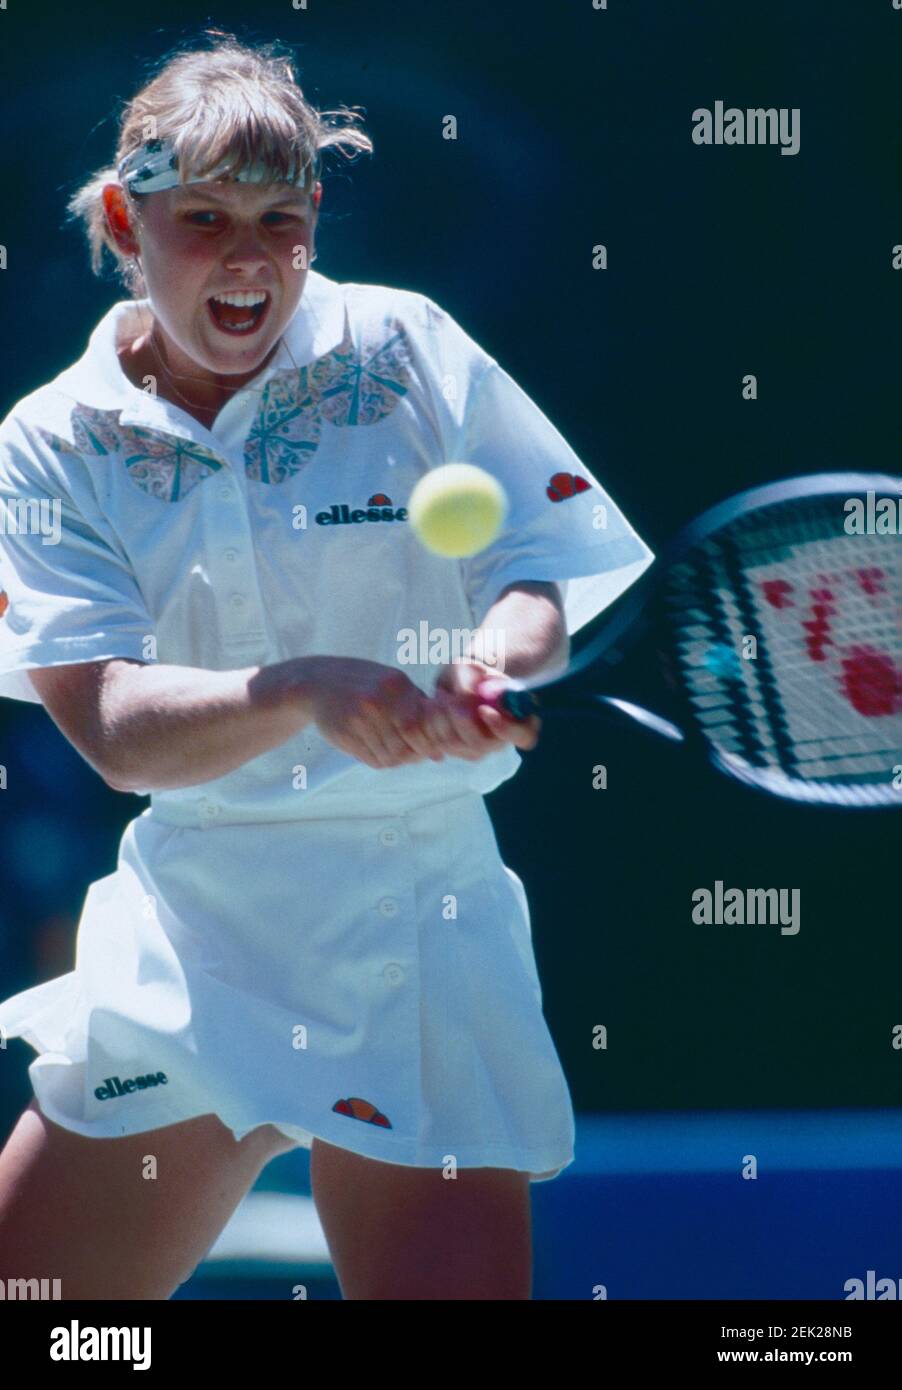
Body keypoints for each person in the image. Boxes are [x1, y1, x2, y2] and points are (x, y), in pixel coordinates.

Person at [0, 31, 653, 1300]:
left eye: (282, 218)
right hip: (194, 933)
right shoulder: (47, 443)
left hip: (424, 923)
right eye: (206, 218)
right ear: (126, 223)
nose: (251, 256)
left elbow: (535, 572)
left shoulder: (407, 347)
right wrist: (303, 686)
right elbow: (115, 728)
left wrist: (491, 664)